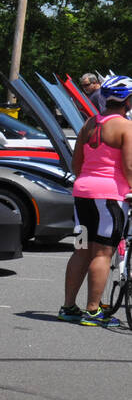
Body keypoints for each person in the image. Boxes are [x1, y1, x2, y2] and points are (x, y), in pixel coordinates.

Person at [59, 75, 132, 325]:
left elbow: (76, 163)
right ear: (127, 100)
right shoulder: (125, 126)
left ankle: (68, 306)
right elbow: (130, 166)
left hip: (82, 195)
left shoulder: (89, 123)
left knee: (81, 249)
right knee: (103, 251)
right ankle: (93, 311)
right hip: (109, 198)